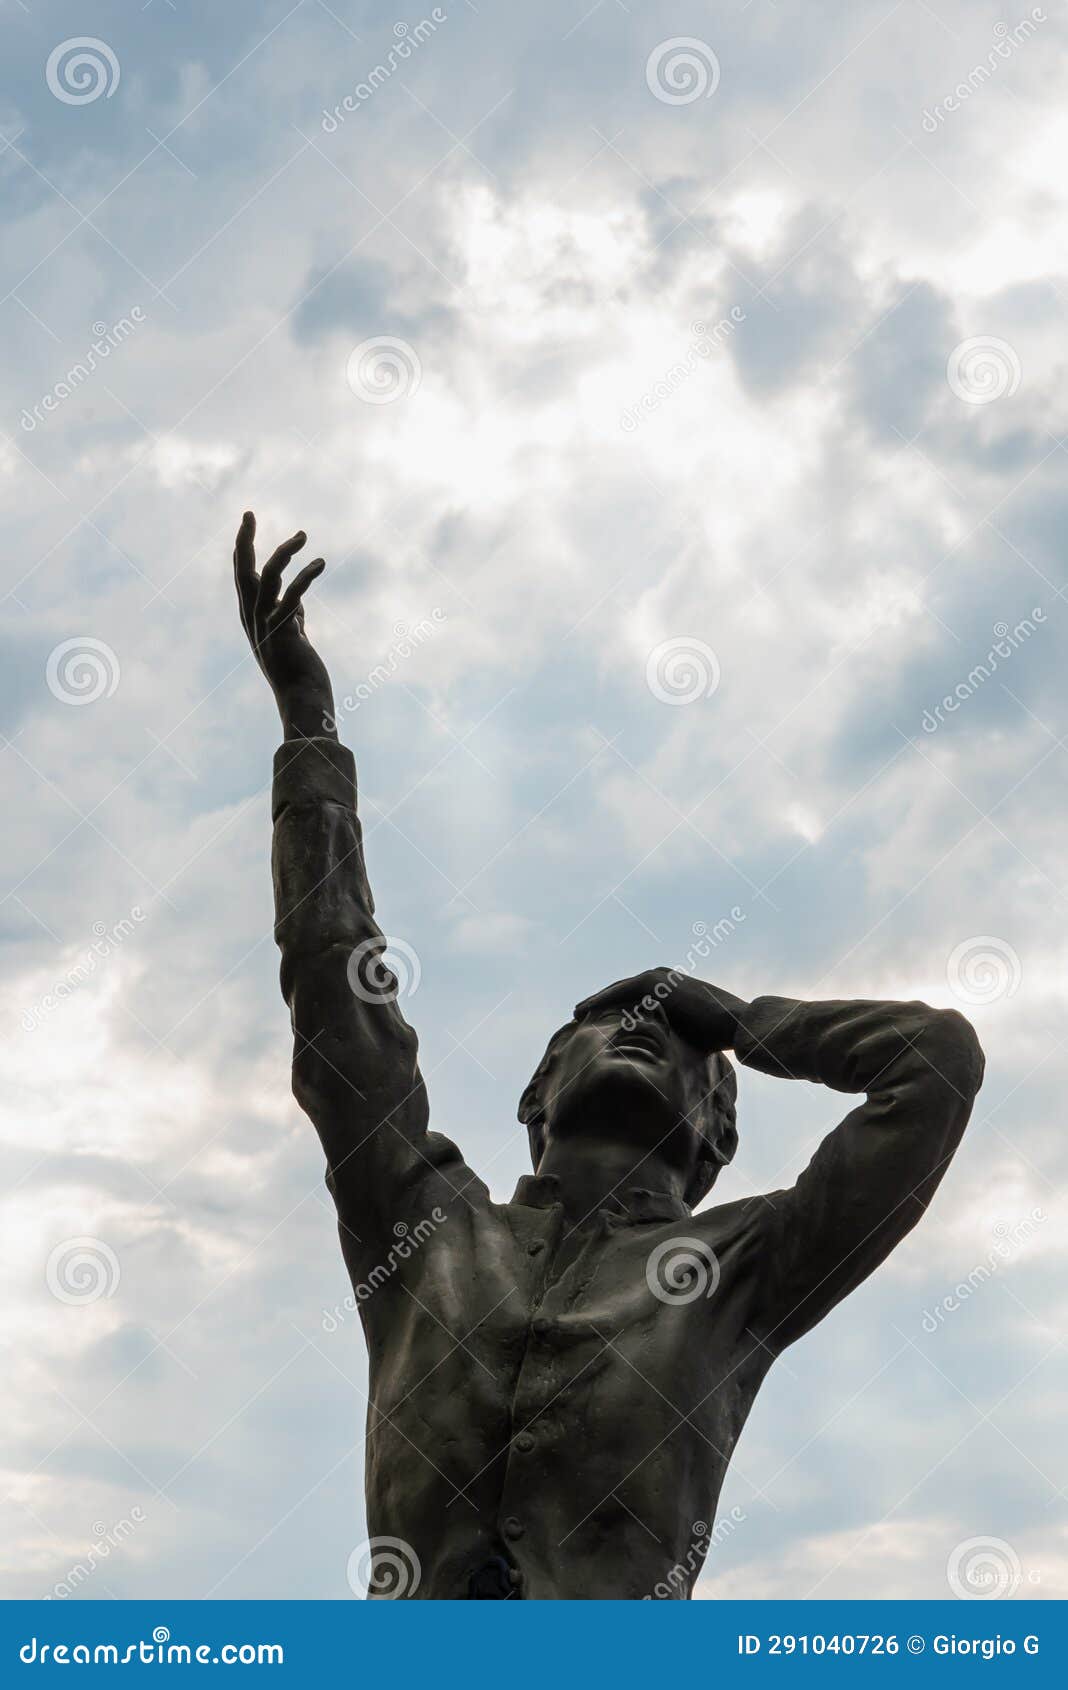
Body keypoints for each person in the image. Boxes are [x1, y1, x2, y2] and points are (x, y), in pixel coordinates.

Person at [233, 512, 985, 1600]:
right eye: (601, 1016)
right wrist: (309, 720)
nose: (644, 1023)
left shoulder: (744, 1270)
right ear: (538, 1092)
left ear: (719, 1129)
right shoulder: (423, 1221)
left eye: (684, 1045)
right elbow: (333, 979)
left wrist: (740, 1019)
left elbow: (936, 1063)